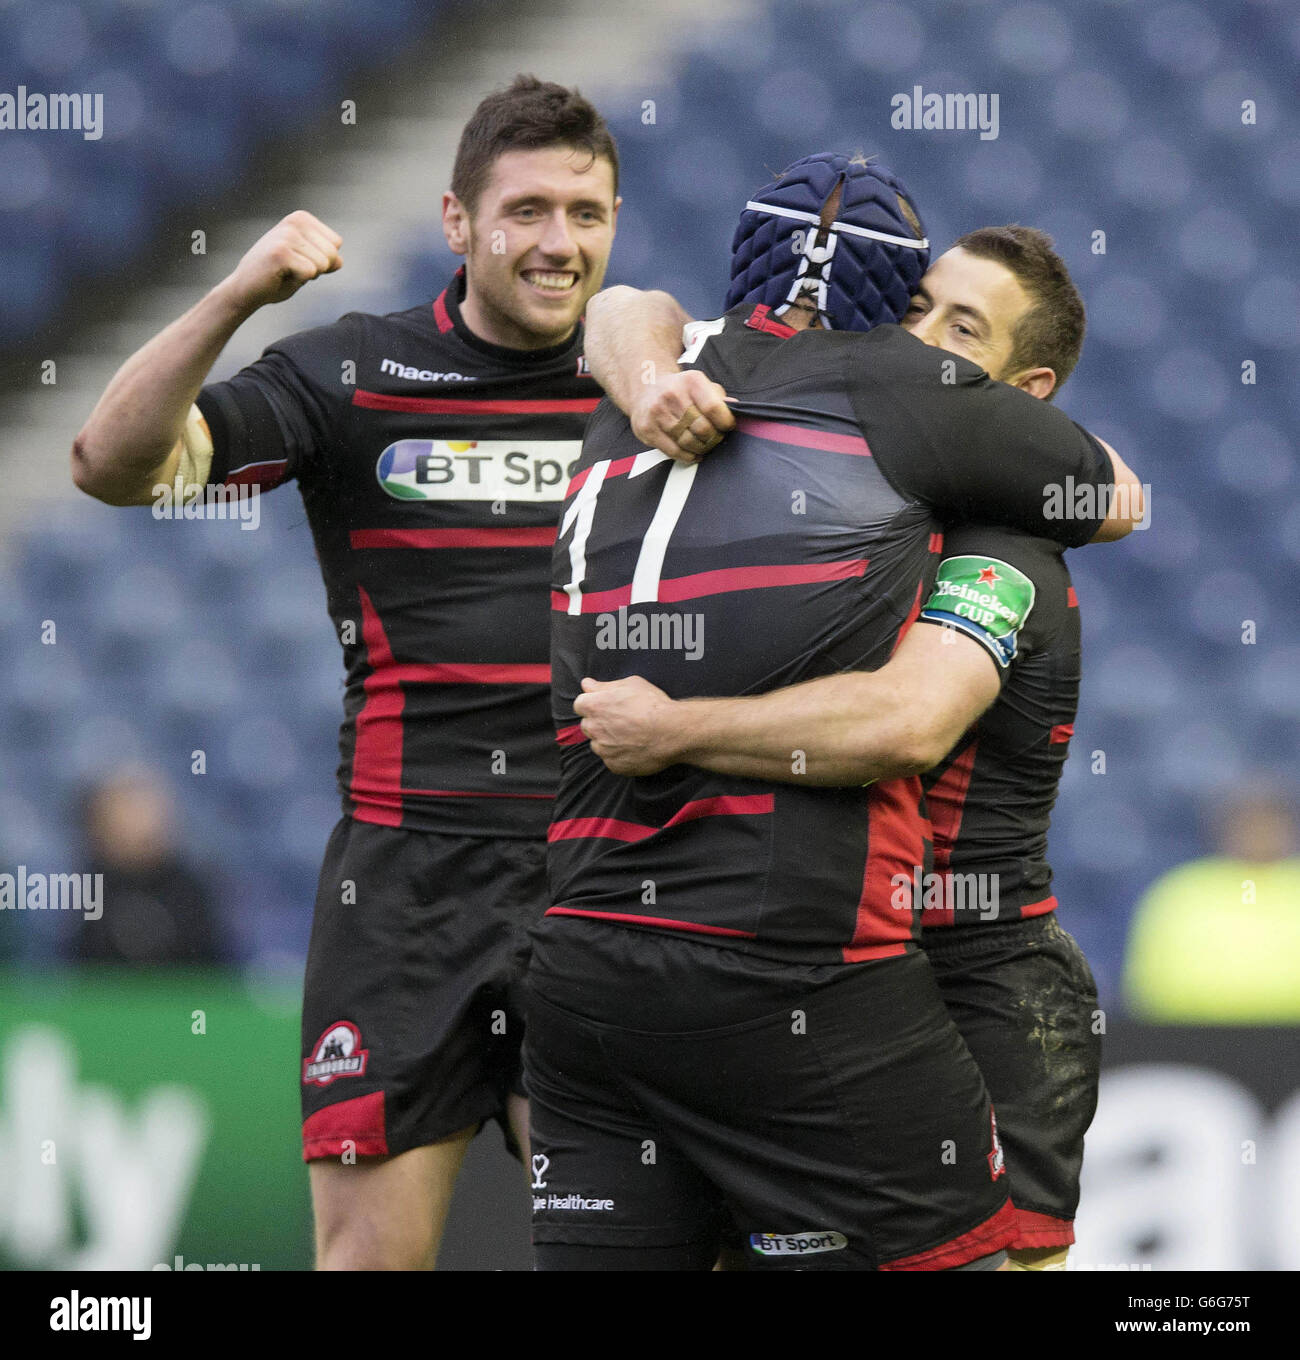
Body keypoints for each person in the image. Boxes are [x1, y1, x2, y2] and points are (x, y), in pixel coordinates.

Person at [525, 154, 1142, 1269]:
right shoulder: (792, 426)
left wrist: (677, 725)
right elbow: (625, 307)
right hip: (806, 967)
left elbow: (908, 721)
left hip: (971, 971)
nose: (921, 344)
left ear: (1020, 392)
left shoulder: (1002, 547)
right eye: (914, 309)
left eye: (962, 330)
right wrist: (646, 368)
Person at [71, 75, 621, 1270]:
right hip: (405, 887)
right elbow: (112, 464)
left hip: (600, 875)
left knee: (635, 1252)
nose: (558, 242)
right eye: (526, 210)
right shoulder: (354, 374)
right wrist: (236, 296)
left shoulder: (645, 390)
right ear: (456, 221)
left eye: (586, 213)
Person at [1124, 787, 1300, 1022]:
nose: (1259, 833)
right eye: (1247, 824)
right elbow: (1149, 988)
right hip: (1198, 1039)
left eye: (1269, 824)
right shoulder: (1180, 892)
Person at [66, 767, 224, 966]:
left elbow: (211, 965)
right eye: (127, 809)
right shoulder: (86, 889)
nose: (140, 824)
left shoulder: (190, 890)